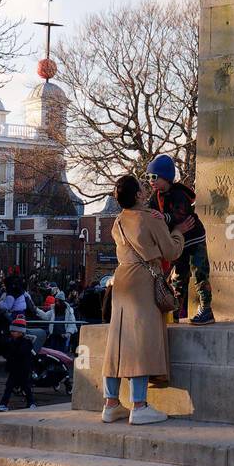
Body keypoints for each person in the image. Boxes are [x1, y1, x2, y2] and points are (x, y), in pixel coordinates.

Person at [102, 174, 185, 425]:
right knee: (141, 342)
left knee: (117, 342)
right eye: (141, 186)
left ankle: (111, 403)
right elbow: (171, 250)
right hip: (142, 281)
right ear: (138, 195)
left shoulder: (117, 221)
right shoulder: (149, 218)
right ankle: (139, 406)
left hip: (121, 281)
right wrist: (179, 232)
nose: (145, 188)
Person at [146, 155, 213, 325]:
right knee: (178, 278)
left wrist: (163, 217)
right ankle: (174, 310)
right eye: (148, 177)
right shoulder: (155, 198)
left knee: (200, 273)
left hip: (194, 239)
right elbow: (150, 213)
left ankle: (206, 309)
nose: (150, 181)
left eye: (154, 177)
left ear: (166, 177)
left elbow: (180, 214)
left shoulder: (179, 194)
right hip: (179, 242)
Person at [0, 316, 38, 411]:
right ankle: (30, 402)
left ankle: (4, 403)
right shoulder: (14, 342)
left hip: (21, 368)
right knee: (22, 386)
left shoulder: (25, 343)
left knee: (13, 386)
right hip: (16, 368)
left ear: (21, 332)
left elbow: (19, 354)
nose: (12, 333)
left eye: (14, 331)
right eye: (12, 331)